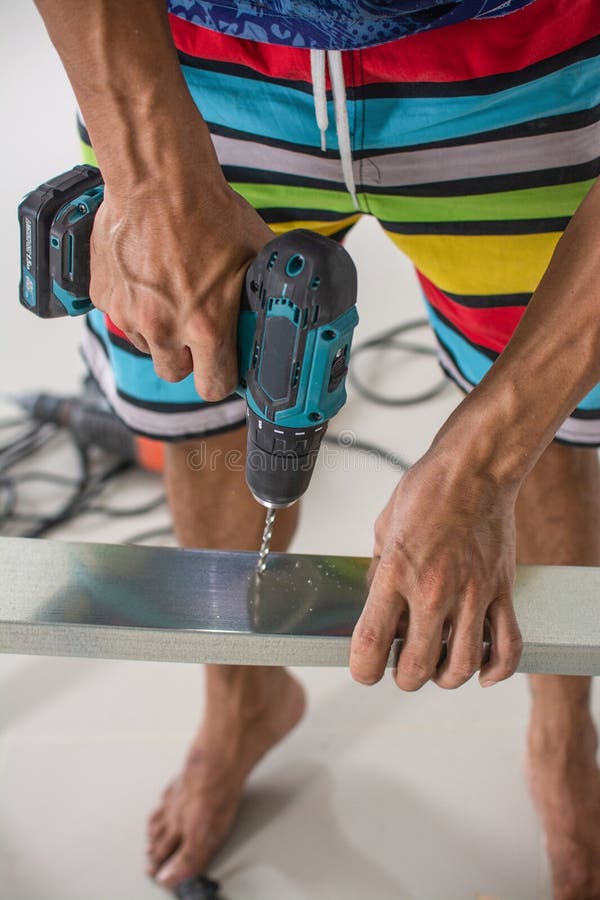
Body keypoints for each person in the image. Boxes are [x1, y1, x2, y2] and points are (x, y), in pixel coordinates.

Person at [33, 1, 600, 897]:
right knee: (205, 396)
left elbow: (536, 415)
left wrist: (484, 462)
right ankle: (243, 701)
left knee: (555, 421)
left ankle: (566, 730)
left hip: (519, 56)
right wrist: (145, 167)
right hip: (192, 59)